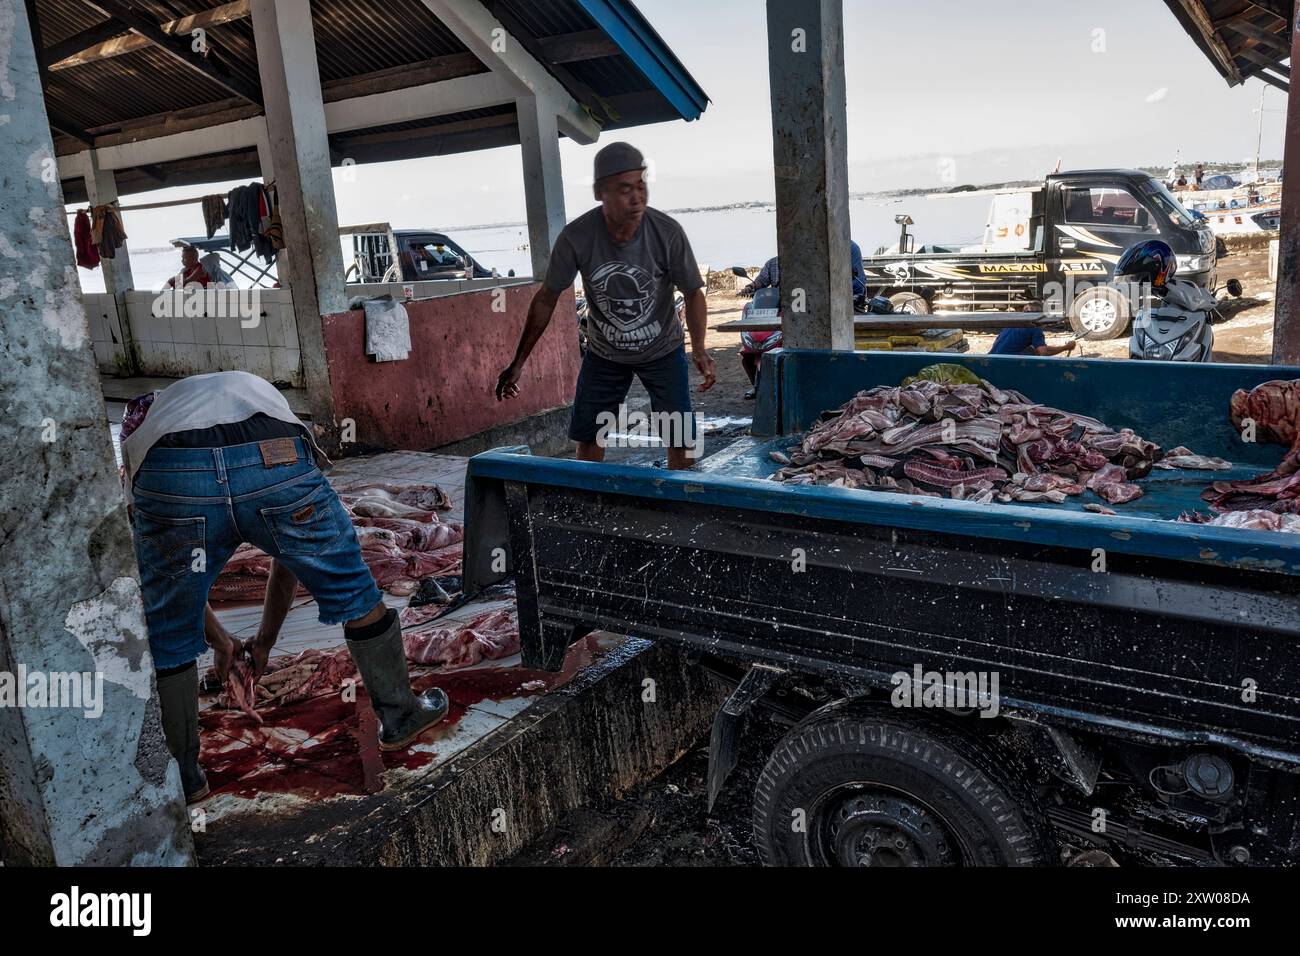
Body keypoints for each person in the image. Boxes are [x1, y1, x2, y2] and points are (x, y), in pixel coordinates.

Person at [121, 371, 447, 803]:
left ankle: (182, 776)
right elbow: (288, 557)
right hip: (271, 453)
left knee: (166, 624)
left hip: (172, 471)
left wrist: (226, 642)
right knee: (354, 591)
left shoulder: (146, 429)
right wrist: (263, 642)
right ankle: (401, 717)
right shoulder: (248, 390)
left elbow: (172, 587)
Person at [495, 142, 715, 469]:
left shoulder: (667, 233)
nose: (637, 196)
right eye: (625, 188)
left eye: (641, 185)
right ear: (600, 192)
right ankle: (590, 502)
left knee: (680, 437)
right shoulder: (576, 237)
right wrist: (518, 362)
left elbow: (694, 292)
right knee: (589, 435)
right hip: (605, 354)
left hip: (663, 350)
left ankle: (678, 507)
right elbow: (547, 298)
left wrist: (699, 348)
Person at [989, 326, 1076, 357]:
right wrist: (1066, 347)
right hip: (1006, 363)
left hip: (990, 358)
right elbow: (1043, 352)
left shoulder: (1009, 326)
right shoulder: (1034, 327)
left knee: (1032, 349)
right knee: (1033, 350)